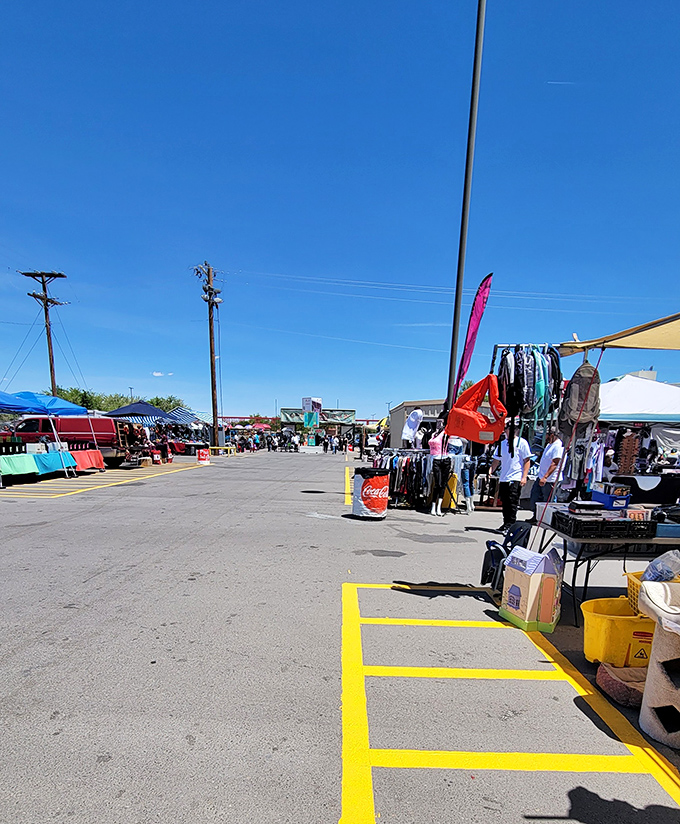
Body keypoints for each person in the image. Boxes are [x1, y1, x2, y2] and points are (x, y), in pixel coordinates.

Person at [490, 422, 532, 533]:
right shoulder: (502, 444)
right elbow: (496, 460)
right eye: (510, 429)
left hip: (516, 477)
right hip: (504, 477)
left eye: (515, 429)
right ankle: (506, 523)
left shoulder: (522, 443)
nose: (513, 431)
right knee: (505, 502)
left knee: (512, 502)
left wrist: (524, 477)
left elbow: (527, 460)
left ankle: (511, 525)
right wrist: (490, 470)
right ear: (506, 430)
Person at [528, 428, 564, 523]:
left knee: (548, 501)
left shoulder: (558, 446)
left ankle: (549, 520)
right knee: (536, 498)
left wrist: (545, 477)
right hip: (541, 477)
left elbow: (555, 463)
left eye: (547, 435)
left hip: (550, 479)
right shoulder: (549, 445)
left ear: (552, 435)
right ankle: (536, 517)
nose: (546, 437)